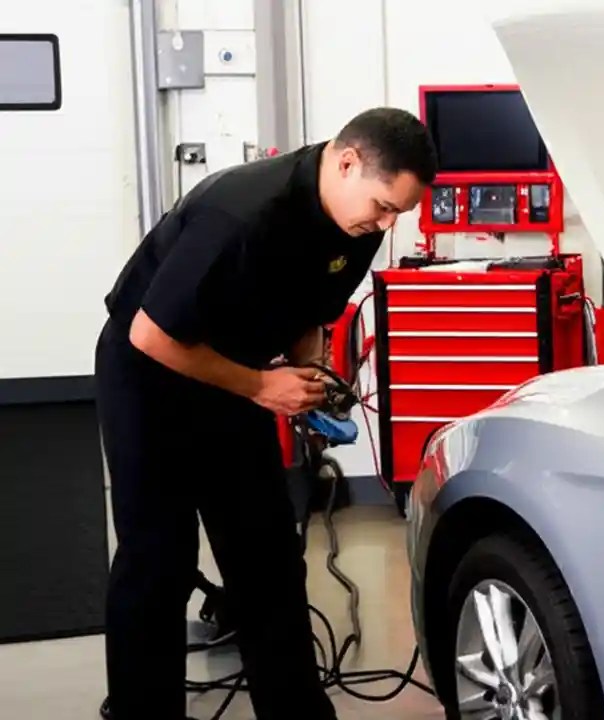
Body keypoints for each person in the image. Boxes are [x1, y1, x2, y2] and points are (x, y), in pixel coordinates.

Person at [94, 107, 437, 719]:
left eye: (398, 215)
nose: (387, 224)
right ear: (347, 161)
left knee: (267, 557)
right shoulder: (242, 212)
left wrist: (306, 369)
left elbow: (312, 309)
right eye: (384, 206)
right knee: (157, 559)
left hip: (238, 375)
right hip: (150, 376)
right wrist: (260, 386)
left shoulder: (357, 225)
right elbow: (152, 334)